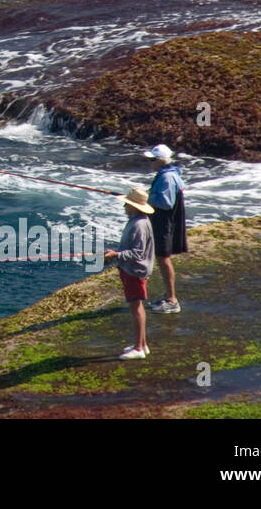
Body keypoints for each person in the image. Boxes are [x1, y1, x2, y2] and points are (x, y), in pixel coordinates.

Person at [104, 187, 155, 359]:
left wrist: (115, 255)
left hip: (135, 271)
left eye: (127, 204)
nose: (124, 206)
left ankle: (139, 349)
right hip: (134, 270)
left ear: (135, 207)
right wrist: (116, 254)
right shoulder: (139, 220)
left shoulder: (139, 225)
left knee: (136, 307)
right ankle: (142, 344)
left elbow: (136, 254)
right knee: (137, 306)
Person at [136, 143, 187, 313]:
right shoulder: (168, 174)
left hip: (164, 223)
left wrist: (146, 199)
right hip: (164, 222)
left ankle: (172, 300)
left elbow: (165, 203)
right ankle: (168, 296)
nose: (149, 162)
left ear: (160, 161)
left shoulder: (167, 177)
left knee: (163, 259)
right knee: (160, 258)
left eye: (152, 159)